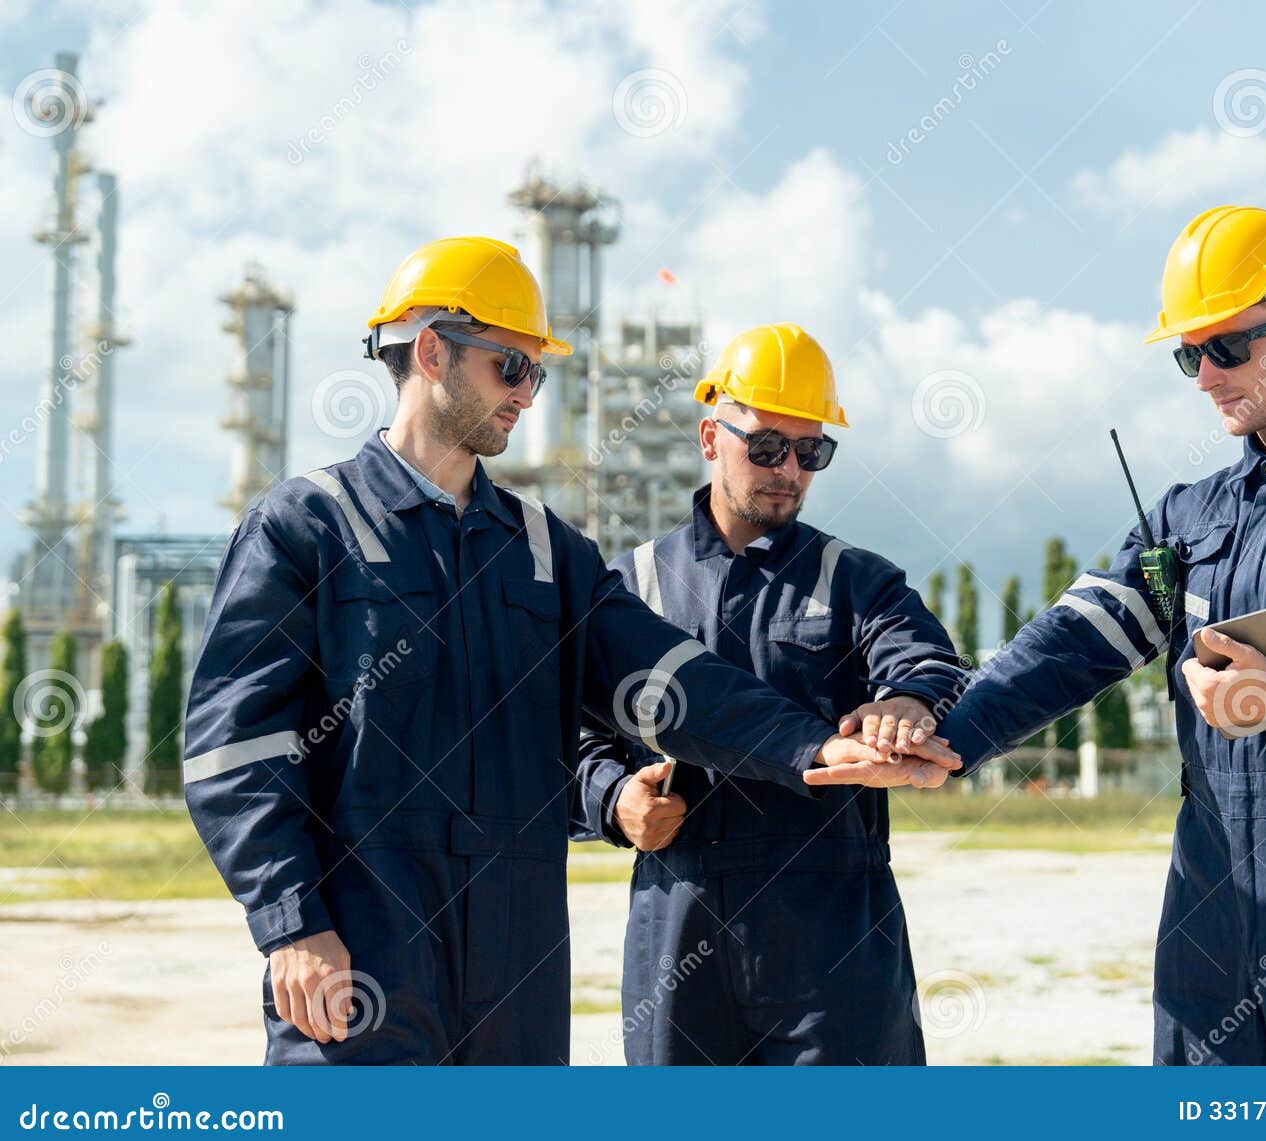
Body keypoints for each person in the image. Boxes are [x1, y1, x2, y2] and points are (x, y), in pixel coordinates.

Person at [182, 238, 957, 1066]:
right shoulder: (309, 524)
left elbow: (668, 680)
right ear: (433, 351)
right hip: (366, 951)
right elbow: (234, 747)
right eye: (509, 367)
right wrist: (293, 923)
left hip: (518, 973)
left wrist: (810, 744)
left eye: (534, 374)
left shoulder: (546, 553)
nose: (525, 394)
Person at [819, 206, 1266, 1065]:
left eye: (1227, 347)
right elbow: (1067, 646)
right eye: (1189, 354)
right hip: (1213, 909)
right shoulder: (1187, 519)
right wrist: (943, 739)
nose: (1204, 376)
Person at [576, 323, 969, 1064]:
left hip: (832, 933)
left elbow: (928, 660)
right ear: (708, 436)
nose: (787, 468)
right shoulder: (629, 589)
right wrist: (615, 800)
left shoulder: (854, 581)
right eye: (765, 447)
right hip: (678, 922)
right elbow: (569, 734)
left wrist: (909, 703)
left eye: (809, 451)